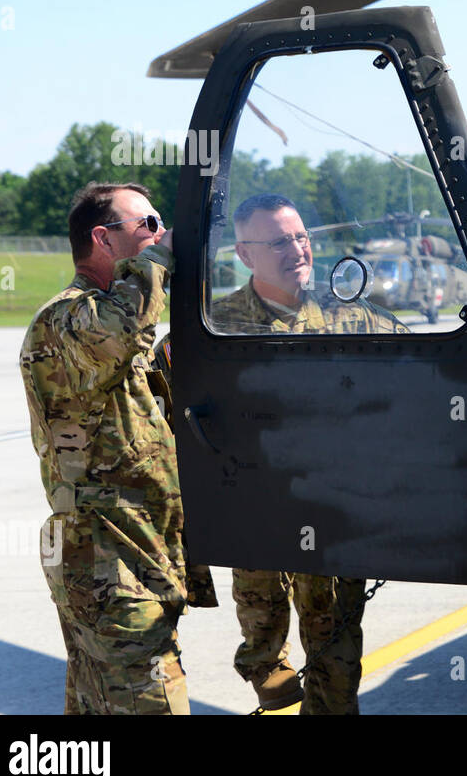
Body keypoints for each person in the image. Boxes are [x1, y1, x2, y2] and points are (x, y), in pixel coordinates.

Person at [21, 181, 216, 714]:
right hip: (107, 564)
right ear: (102, 239)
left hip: (137, 555)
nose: (160, 235)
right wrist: (159, 261)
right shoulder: (64, 320)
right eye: (147, 226)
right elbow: (120, 327)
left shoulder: (118, 328)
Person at [213, 193, 408, 714]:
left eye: (301, 237)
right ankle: (262, 664)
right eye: (279, 240)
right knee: (263, 628)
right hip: (258, 507)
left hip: (334, 510)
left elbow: (419, 373)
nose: (297, 249)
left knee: (336, 650)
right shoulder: (217, 325)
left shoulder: (354, 317)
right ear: (246, 254)